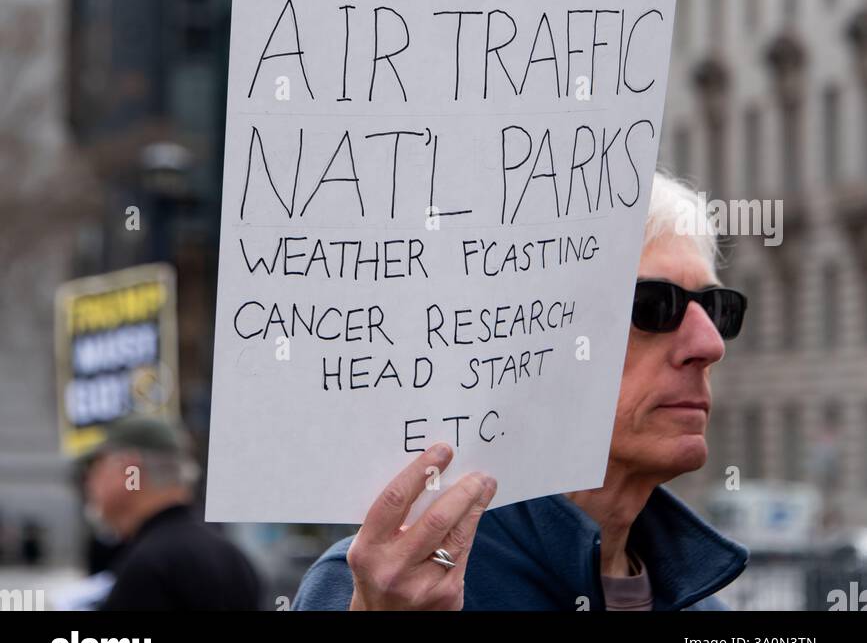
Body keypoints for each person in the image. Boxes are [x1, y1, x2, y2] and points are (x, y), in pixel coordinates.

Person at [292, 172, 750, 611]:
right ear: (529, 335)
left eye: (716, 308)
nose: (709, 345)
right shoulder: (390, 590)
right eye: (653, 305)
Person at [79, 415, 261, 610]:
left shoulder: (149, 566)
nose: (88, 481)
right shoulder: (231, 555)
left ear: (130, 470)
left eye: (96, 465)